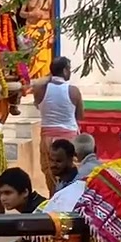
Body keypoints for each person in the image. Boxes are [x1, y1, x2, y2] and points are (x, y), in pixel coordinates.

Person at [34, 56, 83, 195]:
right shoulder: (74, 91)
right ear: (65, 70)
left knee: (51, 177)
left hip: (47, 138)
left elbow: (38, 105)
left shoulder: (40, 90)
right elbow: (80, 116)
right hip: (69, 139)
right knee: (71, 176)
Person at [20, 0, 55, 80]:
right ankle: (30, 81)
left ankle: (43, 80)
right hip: (31, 30)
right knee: (31, 57)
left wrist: (53, 34)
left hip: (44, 30)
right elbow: (21, 13)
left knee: (43, 57)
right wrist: (31, 14)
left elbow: (53, 16)